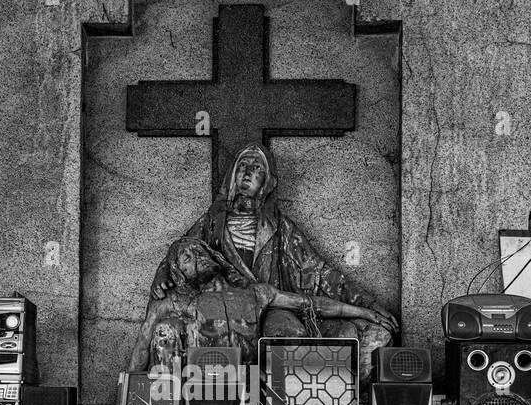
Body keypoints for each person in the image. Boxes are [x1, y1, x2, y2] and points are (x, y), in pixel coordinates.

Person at [148, 142, 397, 376]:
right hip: (221, 306)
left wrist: (366, 303)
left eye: (257, 168)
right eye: (242, 166)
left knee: (290, 334)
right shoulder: (212, 222)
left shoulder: (279, 227)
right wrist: (162, 276)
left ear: (266, 181)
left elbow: (318, 271)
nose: (247, 173)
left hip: (270, 306)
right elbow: (179, 252)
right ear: (232, 175)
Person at [129, 237, 393, 372]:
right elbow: (142, 346)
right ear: (178, 274)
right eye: (186, 258)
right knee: (165, 330)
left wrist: (366, 311)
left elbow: (310, 304)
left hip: (253, 383)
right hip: (203, 387)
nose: (196, 258)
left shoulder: (256, 293)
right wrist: (131, 399)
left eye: (199, 252)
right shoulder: (174, 302)